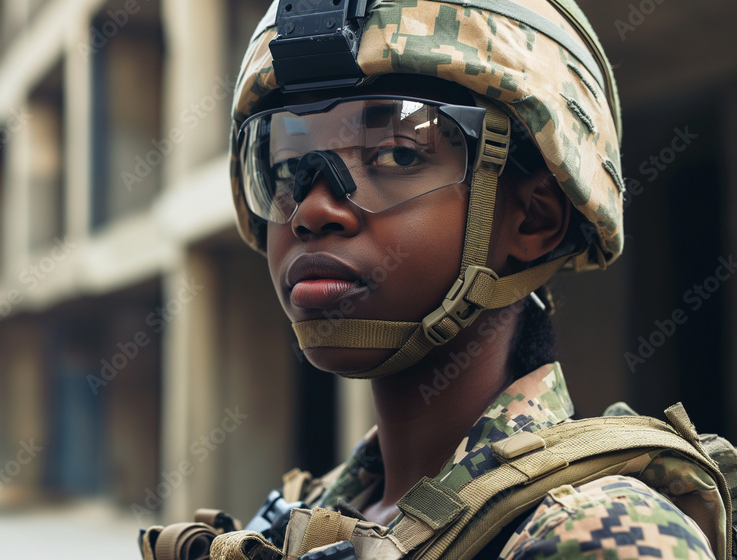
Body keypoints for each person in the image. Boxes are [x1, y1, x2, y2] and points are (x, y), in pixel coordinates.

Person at [139, 1, 732, 559]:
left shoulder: (598, 536)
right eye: (293, 165)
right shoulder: (320, 509)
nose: (313, 208)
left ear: (533, 218)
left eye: (396, 154)